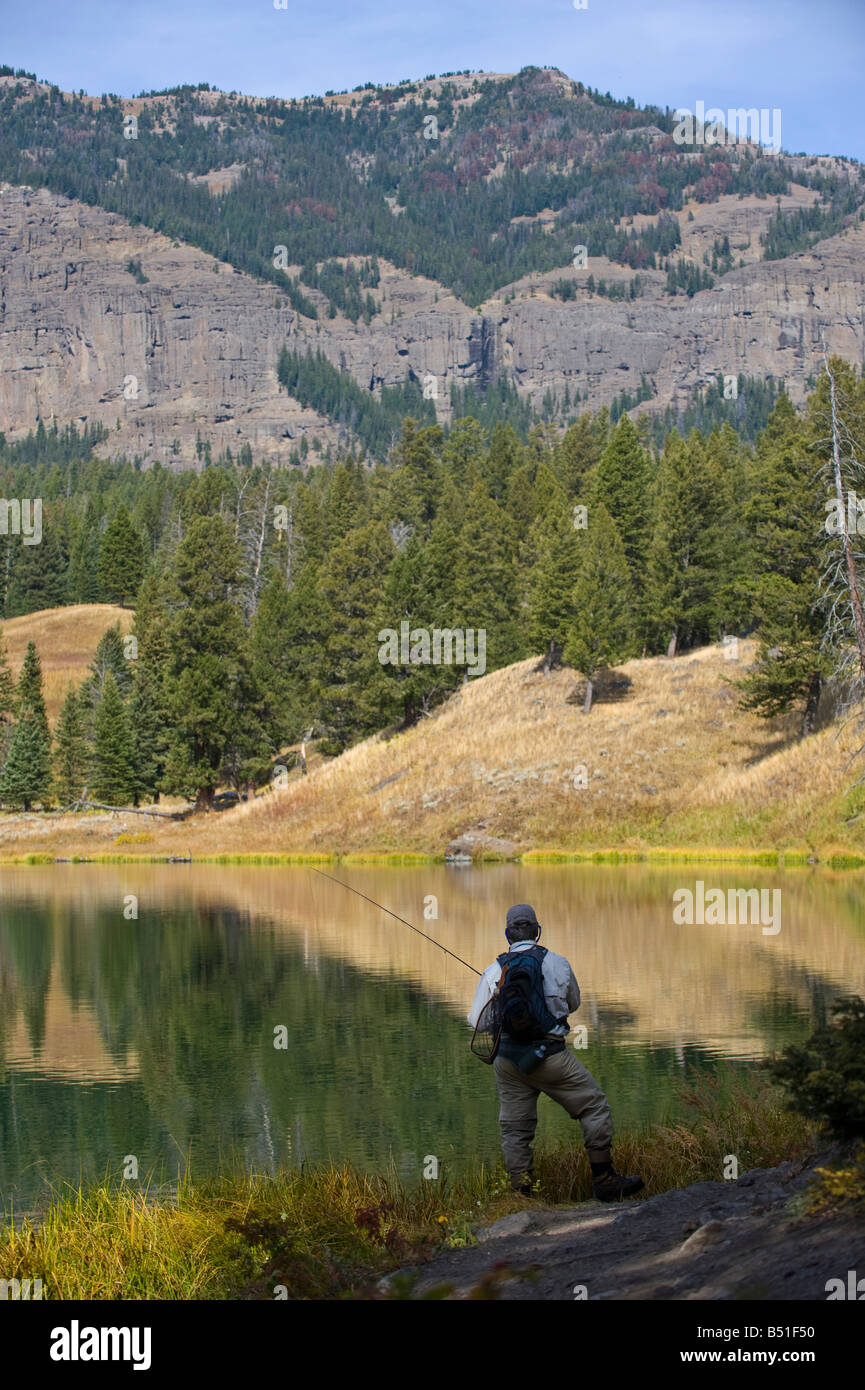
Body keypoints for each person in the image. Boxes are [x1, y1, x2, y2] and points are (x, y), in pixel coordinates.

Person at [468, 903, 644, 1201]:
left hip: (508, 1062)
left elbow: (477, 1022)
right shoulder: (557, 963)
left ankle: (522, 1195)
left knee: (514, 1129)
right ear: (537, 931)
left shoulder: (494, 971)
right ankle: (604, 1180)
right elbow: (573, 1003)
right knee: (593, 1107)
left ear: (507, 935)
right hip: (550, 1057)